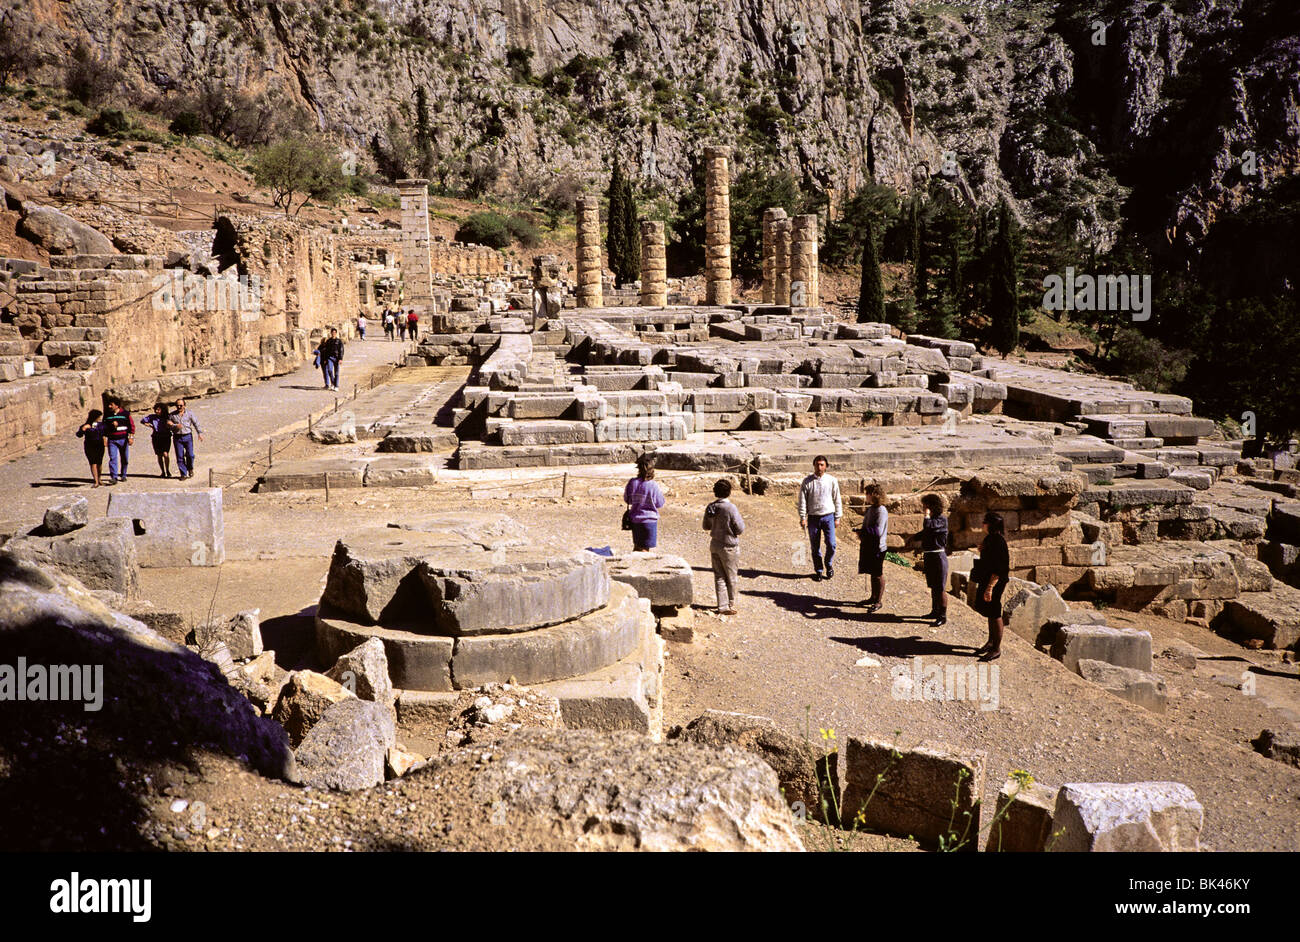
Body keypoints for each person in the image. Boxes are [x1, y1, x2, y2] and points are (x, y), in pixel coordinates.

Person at [703, 478, 746, 615]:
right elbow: (740, 529)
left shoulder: (711, 507)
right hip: (729, 546)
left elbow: (706, 526)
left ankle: (722, 605)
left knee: (719, 576)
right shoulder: (731, 508)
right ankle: (731, 604)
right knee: (731, 576)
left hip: (715, 543)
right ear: (729, 492)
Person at [797, 454, 842, 580]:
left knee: (832, 544)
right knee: (815, 546)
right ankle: (818, 570)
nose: (819, 467)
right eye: (817, 464)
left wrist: (837, 517)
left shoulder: (832, 480)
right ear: (814, 465)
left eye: (822, 464)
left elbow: (837, 499)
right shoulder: (807, 482)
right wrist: (802, 517)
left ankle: (829, 564)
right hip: (813, 518)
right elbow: (802, 501)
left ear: (826, 466)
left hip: (828, 516)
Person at [974, 511, 1010, 661]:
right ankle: (991, 641)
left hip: (995, 581)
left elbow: (999, 568)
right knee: (988, 610)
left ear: (990, 524)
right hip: (987, 578)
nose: (982, 524)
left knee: (994, 612)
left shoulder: (998, 542)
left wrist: (990, 588)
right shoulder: (990, 538)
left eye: (985, 521)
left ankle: (996, 648)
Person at [623, 455, 665, 551]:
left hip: (635, 521)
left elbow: (627, 500)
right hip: (649, 521)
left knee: (637, 547)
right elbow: (660, 503)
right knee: (645, 550)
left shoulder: (632, 483)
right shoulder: (653, 485)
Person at [919, 493, 949, 627]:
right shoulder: (932, 520)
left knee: (940, 587)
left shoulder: (941, 520)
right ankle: (934, 610)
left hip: (938, 556)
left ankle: (942, 615)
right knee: (933, 585)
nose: (923, 508)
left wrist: (926, 515)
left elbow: (928, 526)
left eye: (925, 505)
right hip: (929, 555)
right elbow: (925, 532)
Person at [858, 484, 888, 610]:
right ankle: (873, 597)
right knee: (872, 573)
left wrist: (863, 532)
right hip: (869, 545)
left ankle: (878, 601)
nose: (866, 496)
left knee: (877, 574)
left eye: (867, 494)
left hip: (878, 547)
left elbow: (878, 530)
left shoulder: (881, 510)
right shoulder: (871, 509)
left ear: (873, 495)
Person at [169, 397, 203, 480]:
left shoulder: (190, 414)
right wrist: (174, 425)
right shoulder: (172, 415)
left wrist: (200, 433)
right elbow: (168, 424)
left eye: (181, 405)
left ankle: (190, 468)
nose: (179, 407)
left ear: (184, 406)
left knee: (190, 455)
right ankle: (183, 474)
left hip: (187, 436)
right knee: (180, 456)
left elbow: (196, 423)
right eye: (177, 405)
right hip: (177, 437)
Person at [101, 398, 134, 484]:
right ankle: (114, 477)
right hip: (112, 440)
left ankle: (123, 474)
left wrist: (131, 438)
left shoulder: (125, 414)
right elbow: (103, 427)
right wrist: (104, 438)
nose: (109, 406)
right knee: (113, 458)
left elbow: (131, 426)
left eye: (111, 404)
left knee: (125, 458)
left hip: (123, 440)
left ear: (117, 405)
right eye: (109, 404)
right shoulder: (107, 415)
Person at [141, 402, 174, 478]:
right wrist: (148, 424)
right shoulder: (152, 417)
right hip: (156, 437)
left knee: (165, 454)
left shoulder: (167, 417)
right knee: (159, 455)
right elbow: (143, 420)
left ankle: (167, 470)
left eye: (159, 410)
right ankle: (163, 471)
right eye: (156, 409)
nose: (157, 411)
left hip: (166, 437)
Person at [76, 409, 105, 487]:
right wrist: (83, 430)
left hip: (99, 445)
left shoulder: (101, 425)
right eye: (98, 417)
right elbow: (79, 435)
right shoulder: (85, 425)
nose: (99, 418)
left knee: (99, 463)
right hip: (90, 446)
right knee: (93, 463)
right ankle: (96, 481)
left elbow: (106, 432)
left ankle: (99, 479)